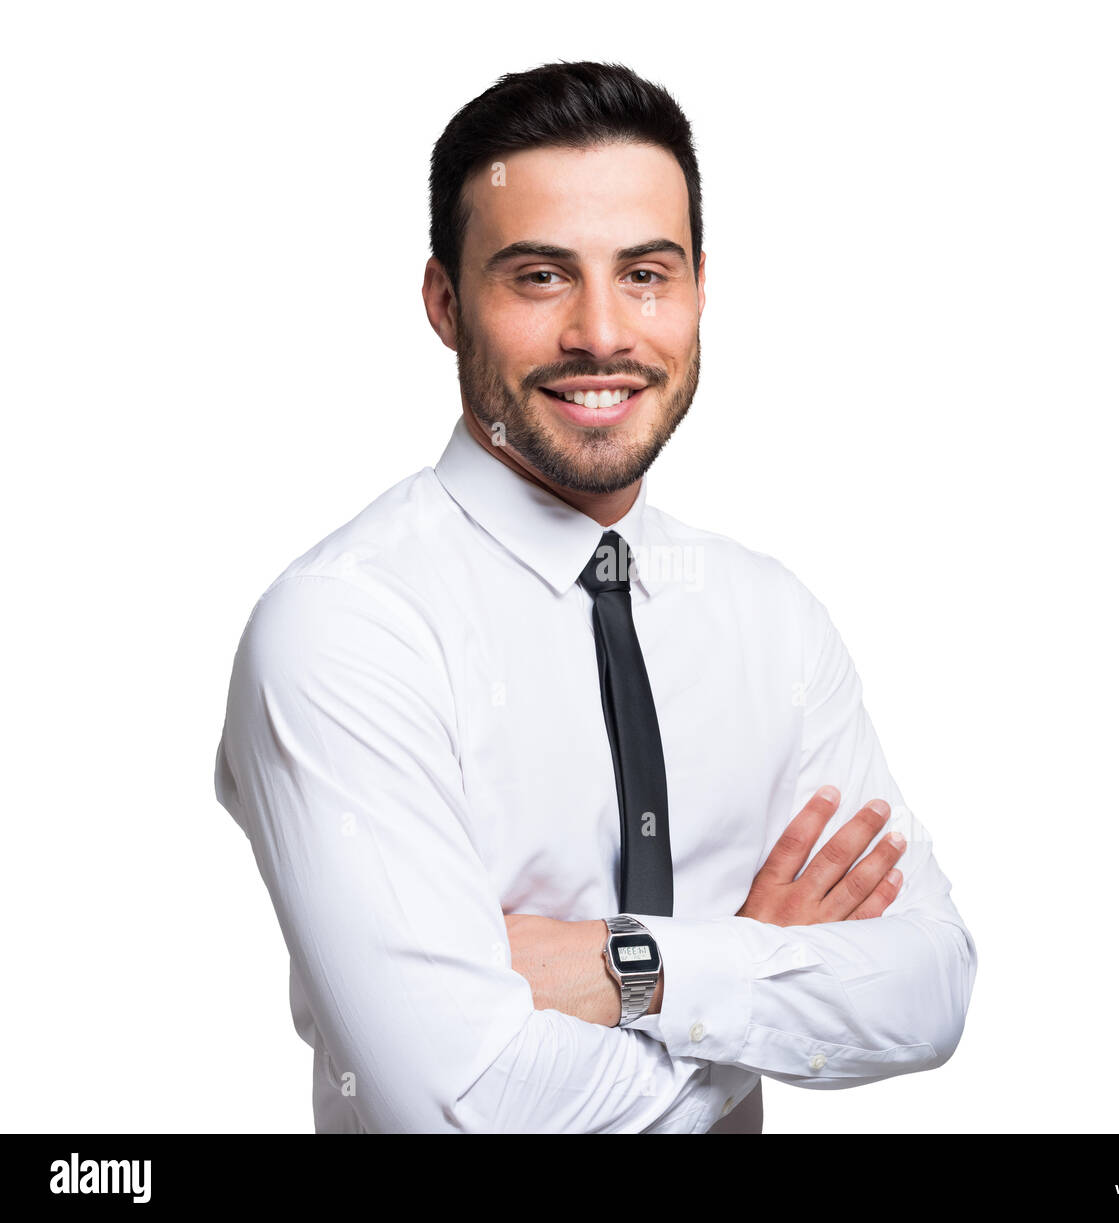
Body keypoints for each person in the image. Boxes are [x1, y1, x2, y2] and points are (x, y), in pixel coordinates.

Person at [213, 60, 977, 1134]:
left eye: (646, 274)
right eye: (539, 276)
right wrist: (751, 971)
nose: (603, 333)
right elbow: (462, 1103)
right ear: (444, 302)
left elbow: (929, 987)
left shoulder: (770, 619)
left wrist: (632, 969)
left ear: (700, 288)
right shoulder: (348, 628)